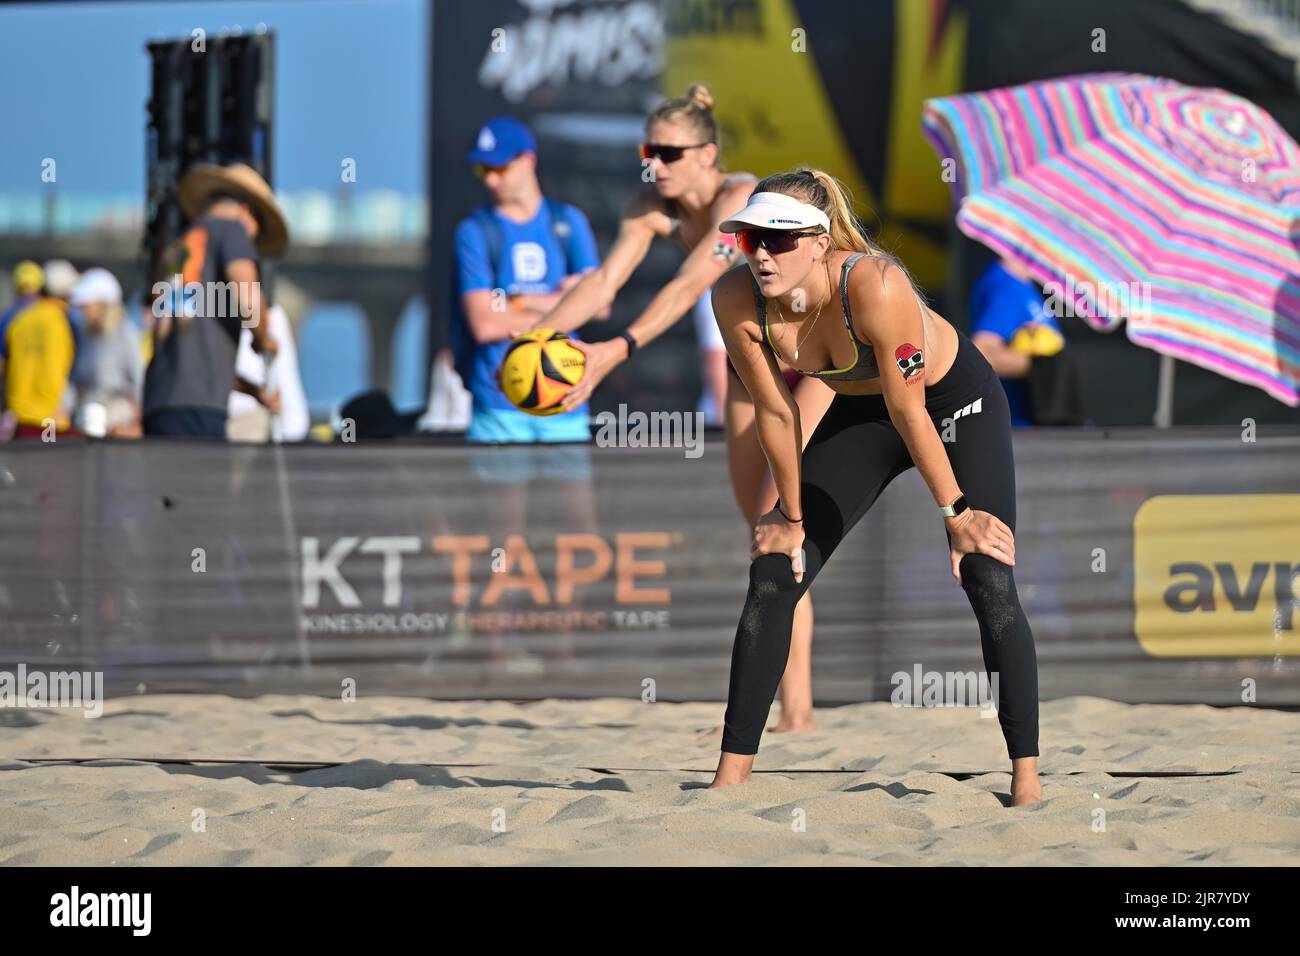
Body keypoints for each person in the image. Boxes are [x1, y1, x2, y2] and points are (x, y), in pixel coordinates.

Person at [708, 168, 1042, 805]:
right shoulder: (735, 298)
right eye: (752, 240)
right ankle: (729, 780)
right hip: (864, 414)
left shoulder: (874, 282)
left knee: (985, 571)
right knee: (776, 570)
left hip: (952, 404)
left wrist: (958, 514)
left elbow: (913, 410)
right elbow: (778, 414)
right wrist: (790, 514)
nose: (763, 254)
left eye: (779, 240)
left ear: (820, 242)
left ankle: (1025, 779)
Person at [535, 84, 834, 733]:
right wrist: (539, 338)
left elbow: (691, 283)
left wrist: (619, 348)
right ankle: (795, 712)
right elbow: (605, 283)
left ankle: (798, 714)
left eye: (670, 153)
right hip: (749, 360)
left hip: (814, 357)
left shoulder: (741, 201)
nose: (656, 165)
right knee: (767, 542)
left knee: (779, 522)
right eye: (649, 151)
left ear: (708, 154)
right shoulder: (649, 207)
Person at [143, 162, 285, 439]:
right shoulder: (231, 230)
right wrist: (264, 338)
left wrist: (252, 390)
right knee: (204, 483)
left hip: (159, 405)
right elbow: (248, 298)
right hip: (200, 412)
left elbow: (189, 357)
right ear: (246, 210)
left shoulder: (180, 248)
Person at [969, 258, 1066, 427]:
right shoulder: (1006, 287)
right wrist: (1043, 366)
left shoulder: (1023, 284)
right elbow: (983, 353)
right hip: (1018, 429)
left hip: (1031, 423)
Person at [0, 259, 80, 440]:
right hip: (50, 418)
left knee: (23, 467)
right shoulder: (64, 322)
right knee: (47, 465)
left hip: (19, 417)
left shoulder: (19, 321)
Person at [69, 268, 145, 437]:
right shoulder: (85, 335)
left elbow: (138, 377)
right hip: (88, 411)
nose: (82, 311)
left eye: (86, 305)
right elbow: (75, 378)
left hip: (117, 415)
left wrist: (138, 421)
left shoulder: (125, 331)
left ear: (102, 304)